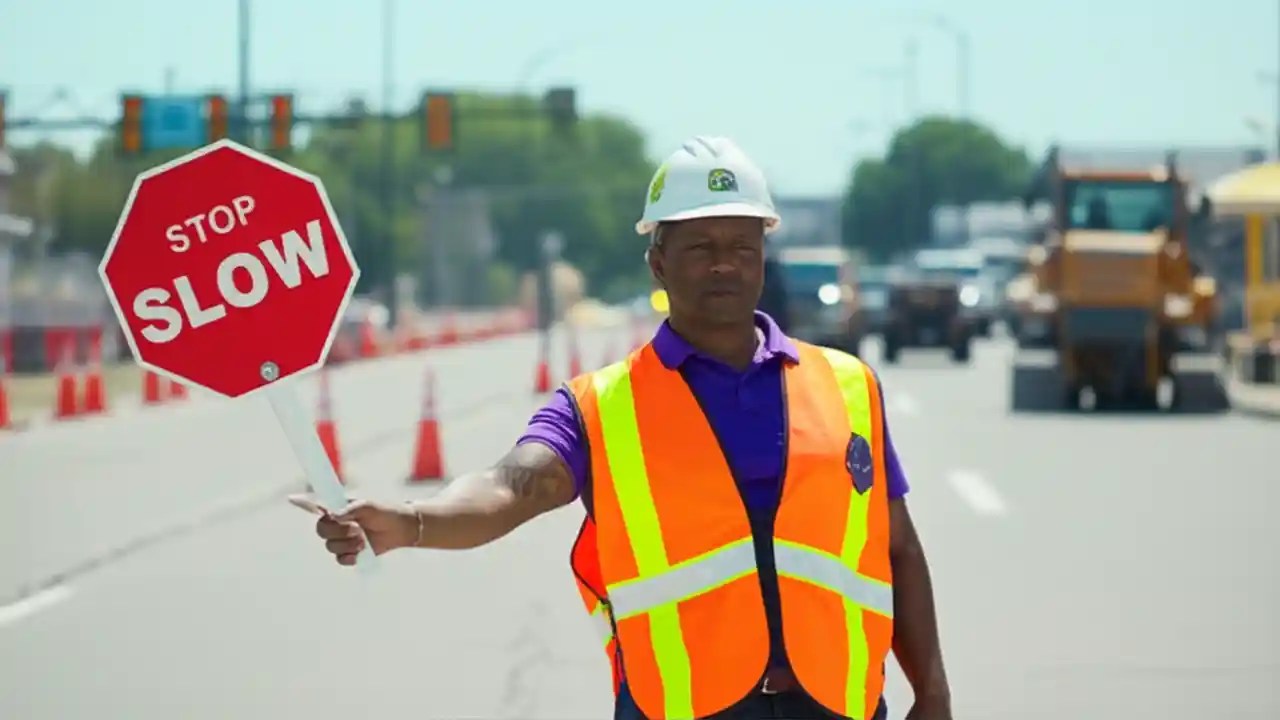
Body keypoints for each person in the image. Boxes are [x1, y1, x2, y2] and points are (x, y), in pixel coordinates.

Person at [310, 136, 953, 720]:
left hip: (839, 705)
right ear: (658, 263)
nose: (724, 264)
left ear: (762, 257)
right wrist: (416, 521)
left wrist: (933, 693)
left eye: (741, 246)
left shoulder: (847, 385)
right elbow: (510, 485)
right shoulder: (601, 404)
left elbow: (896, 547)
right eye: (700, 247)